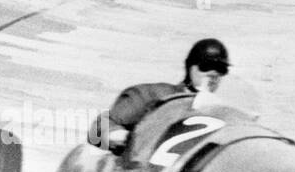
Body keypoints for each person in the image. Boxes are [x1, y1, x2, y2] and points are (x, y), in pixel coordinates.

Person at [91, 38, 230, 152]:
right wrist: (127, 139)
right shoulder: (151, 95)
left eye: (221, 69)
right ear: (190, 67)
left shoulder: (221, 115)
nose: (213, 74)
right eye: (206, 66)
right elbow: (99, 129)